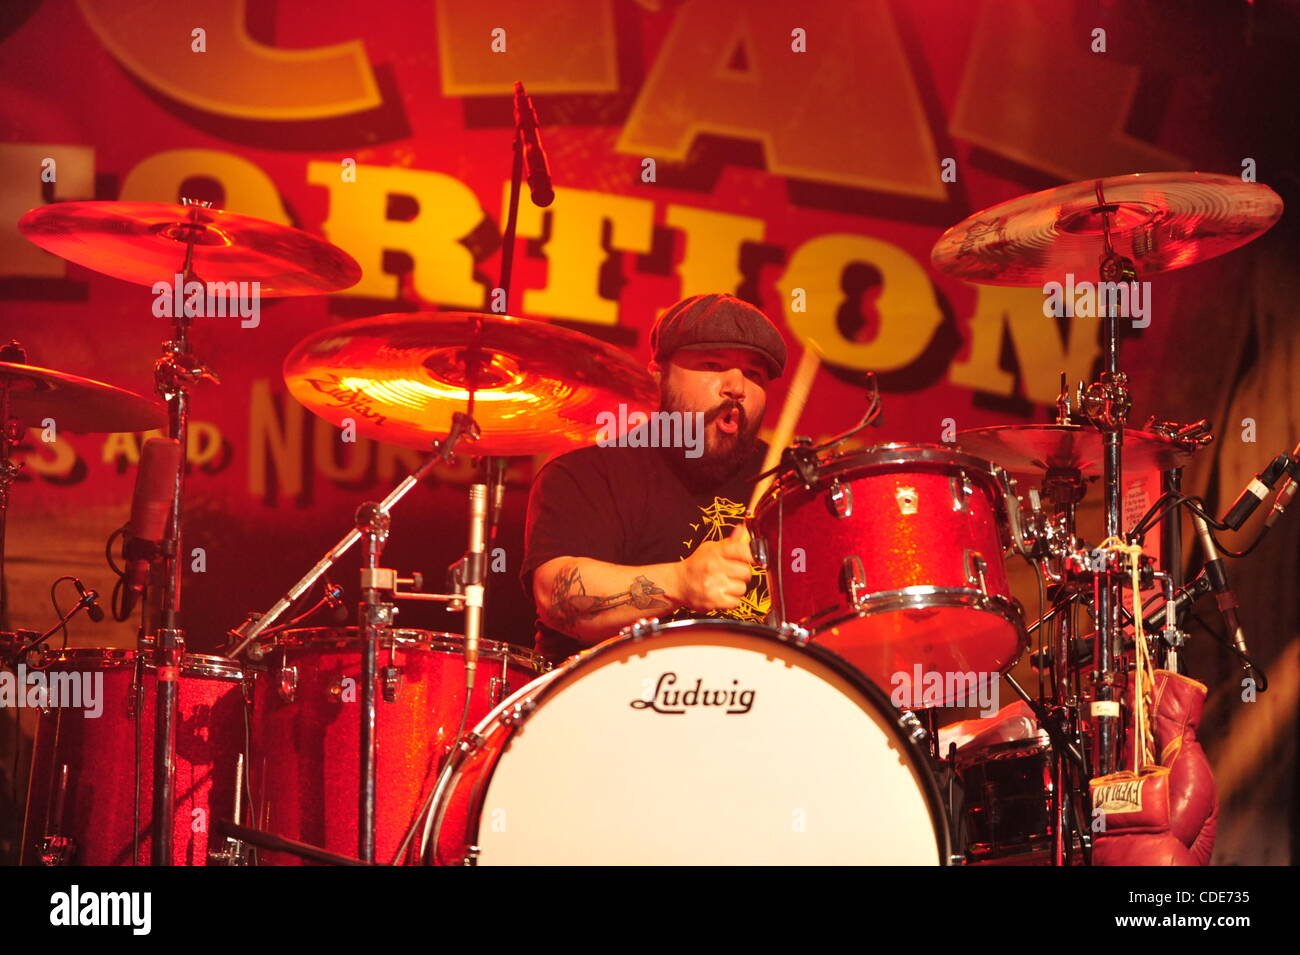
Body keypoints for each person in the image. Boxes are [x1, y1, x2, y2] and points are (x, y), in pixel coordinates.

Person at [521, 293, 787, 662]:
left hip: (759, 700)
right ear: (657, 377)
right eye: (712, 364)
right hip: (611, 702)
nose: (736, 387)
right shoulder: (590, 467)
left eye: (754, 374)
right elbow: (557, 597)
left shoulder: (788, 481)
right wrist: (681, 582)